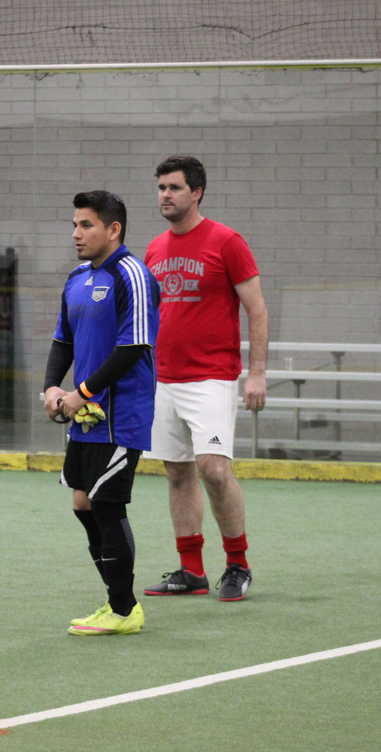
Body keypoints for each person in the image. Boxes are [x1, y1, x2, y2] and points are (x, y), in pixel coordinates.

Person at [142, 155, 268, 602]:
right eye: (161, 188)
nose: (165, 195)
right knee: (177, 472)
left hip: (211, 377)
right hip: (163, 380)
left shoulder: (226, 241)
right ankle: (191, 570)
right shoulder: (155, 249)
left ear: (196, 192)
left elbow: (256, 309)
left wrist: (255, 373)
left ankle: (238, 563)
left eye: (174, 188)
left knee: (213, 469)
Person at [43, 191, 159, 636]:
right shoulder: (76, 277)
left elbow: (134, 348)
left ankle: (124, 609)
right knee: (82, 502)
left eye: (86, 225)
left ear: (114, 229)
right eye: (74, 224)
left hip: (121, 415)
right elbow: (63, 340)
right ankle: (117, 602)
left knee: (107, 507)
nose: (76, 233)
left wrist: (82, 392)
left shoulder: (134, 275)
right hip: (85, 416)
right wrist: (53, 386)